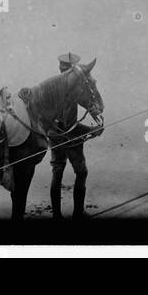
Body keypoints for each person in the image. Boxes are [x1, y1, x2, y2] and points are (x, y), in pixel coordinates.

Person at [48, 52, 103, 221]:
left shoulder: (51, 87)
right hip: (69, 138)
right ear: (71, 69)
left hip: (54, 137)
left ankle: (57, 215)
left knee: (57, 173)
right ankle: (78, 213)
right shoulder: (72, 88)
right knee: (81, 172)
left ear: (60, 68)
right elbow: (69, 126)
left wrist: (93, 111)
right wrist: (91, 130)